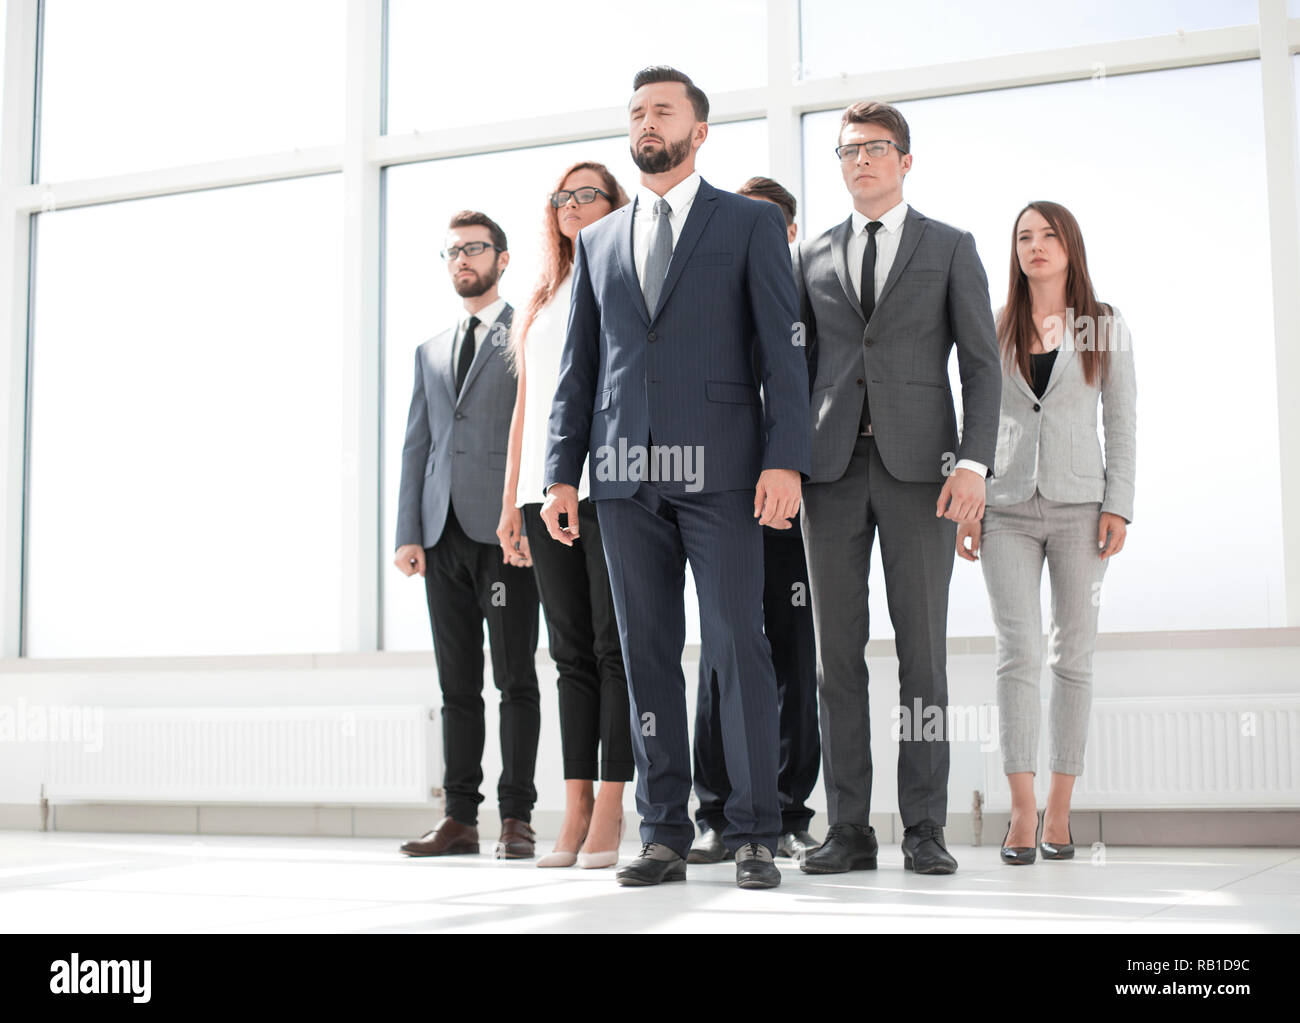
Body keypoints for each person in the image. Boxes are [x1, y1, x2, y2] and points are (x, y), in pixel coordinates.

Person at [540, 66, 810, 890]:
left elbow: (783, 350)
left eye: (662, 110)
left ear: (699, 130)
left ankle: (756, 828)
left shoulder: (751, 224)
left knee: (738, 645)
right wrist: (560, 475)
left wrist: (786, 457)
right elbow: (578, 368)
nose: (646, 122)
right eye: (635, 112)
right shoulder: (597, 240)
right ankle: (661, 831)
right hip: (623, 478)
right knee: (648, 653)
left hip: (724, 472)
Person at [793, 101, 1002, 876]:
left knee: (923, 656)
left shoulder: (951, 247)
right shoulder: (810, 255)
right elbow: (794, 370)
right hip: (831, 474)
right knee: (836, 658)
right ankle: (848, 826)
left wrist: (976, 464)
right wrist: (785, 460)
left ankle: (924, 827)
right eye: (848, 151)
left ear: (905, 160)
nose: (861, 162)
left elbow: (981, 365)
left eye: (876, 149)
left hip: (926, 478)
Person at [955, 200, 1135, 865]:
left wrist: (1119, 503)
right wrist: (967, 507)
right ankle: (1022, 810)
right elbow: (972, 417)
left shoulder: (1102, 325)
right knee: (1018, 651)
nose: (1035, 245)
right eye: (1024, 236)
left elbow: (1122, 419)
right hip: (1003, 507)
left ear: (1069, 245)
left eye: (1048, 234)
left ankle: (1061, 806)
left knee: (1073, 655)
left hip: (1081, 506)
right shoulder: (995, 324)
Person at [496, 161, 635, 870]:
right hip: (539, 489)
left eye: (588, 194)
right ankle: (574, 805)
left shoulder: (622, 277)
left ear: (615, 205)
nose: (572, 205)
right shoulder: (543, 296)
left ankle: (613, 803)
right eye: (562, 197)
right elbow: (529, 403)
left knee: (615, 648)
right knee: (569, 653)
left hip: (604, 484)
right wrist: (510, 502)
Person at [394, 211, 542, 860]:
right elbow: (416, 446)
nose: (462, 260)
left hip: (505, 530)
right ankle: (459, 817)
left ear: (502, 259)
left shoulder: (527, 334)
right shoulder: (429, 349)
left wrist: (525, 511)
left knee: (515, 679)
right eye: (453, 251)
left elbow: (534, 428)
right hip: (441, 533)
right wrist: (407, 532)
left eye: (474, 249)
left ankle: (517, 818)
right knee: (457, 683)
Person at [688, 176, 822, 865]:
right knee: (722, 650)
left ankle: (792, 809)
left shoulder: (813, 295)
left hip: (790, 493)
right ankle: (714, 811)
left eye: (768, 221)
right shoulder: (712, 293)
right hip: (723, 492)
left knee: (794, 649)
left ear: (788, 231)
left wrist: (791, 466)